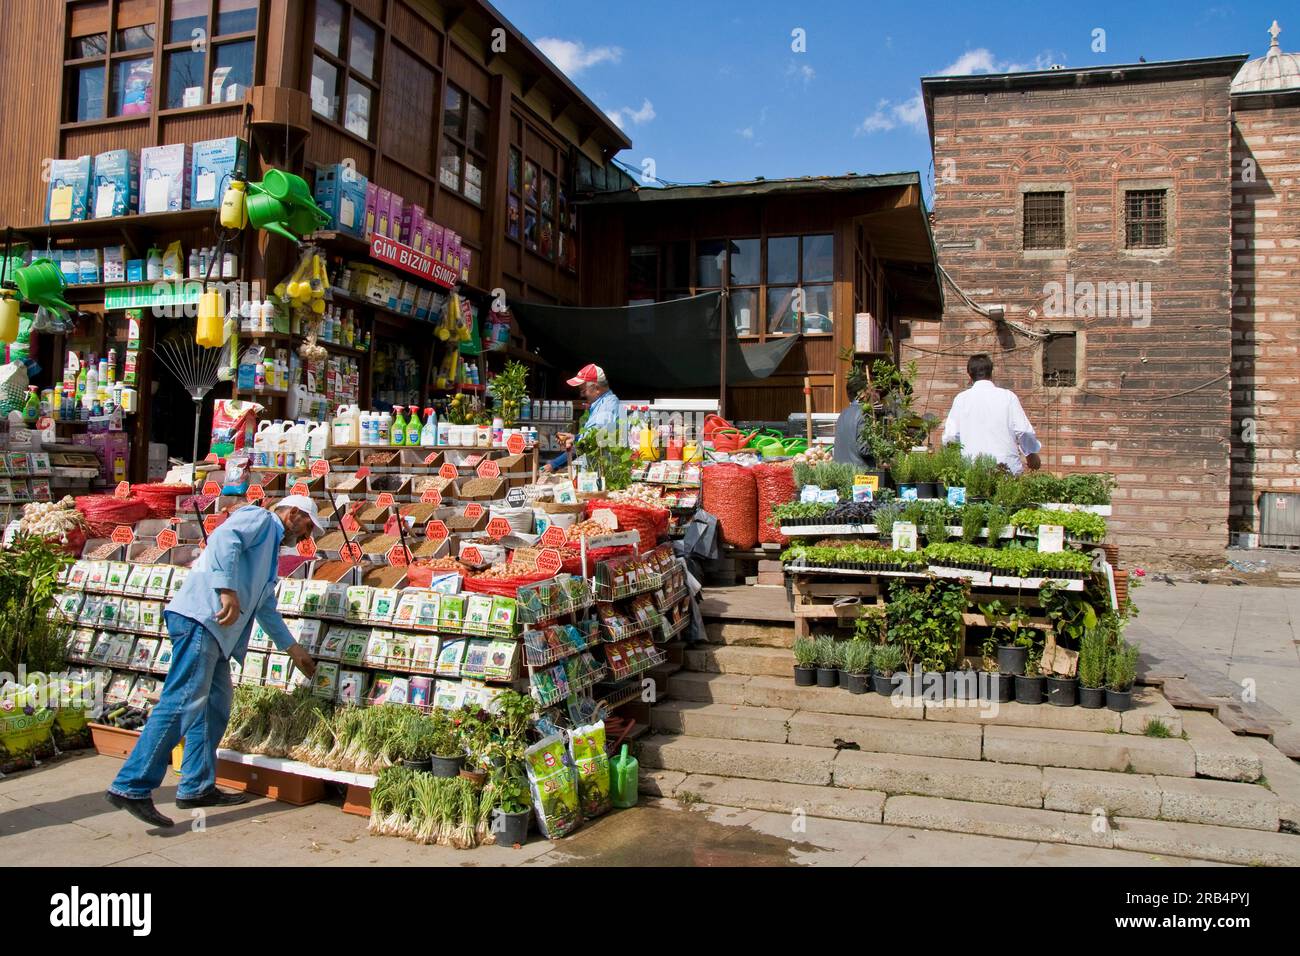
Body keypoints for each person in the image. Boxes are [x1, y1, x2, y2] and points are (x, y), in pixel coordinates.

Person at [105, 496, 324, 828]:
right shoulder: (261, 520)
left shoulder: (269, 552)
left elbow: (263, 606)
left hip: (219, 633)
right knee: (182, 702)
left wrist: (293, 649)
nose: (308, 536)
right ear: (293, 513)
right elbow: (224, 539)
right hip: (202, 620)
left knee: (215, 707)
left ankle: (196, 785)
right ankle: (131, 786)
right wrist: (226, 590)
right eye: (309, 526)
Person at [942, 353, 1042, 474]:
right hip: (1006, 469)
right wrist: (1031, 454)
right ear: (991, 373)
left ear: (969, 375)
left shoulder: (961, 399)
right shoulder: (1008, 397)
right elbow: (1023, 430)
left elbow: (951, 436)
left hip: (971, 470)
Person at [542, 364, 621, 473]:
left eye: (583, 391)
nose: (581, 395)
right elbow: (592, 436)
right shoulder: (602, 404)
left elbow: (589, 443)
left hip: (602, 475)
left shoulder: (606, 409)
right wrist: (575, 437)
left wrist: (555, 464)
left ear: (597, 388)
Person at [832, 364, 873, 468]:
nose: (873, 393)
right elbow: (864, 449)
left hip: (841, 471)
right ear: (862, 393)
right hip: (860, 475)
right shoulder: (864, 414)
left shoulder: (843, 414)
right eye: (870, 390)